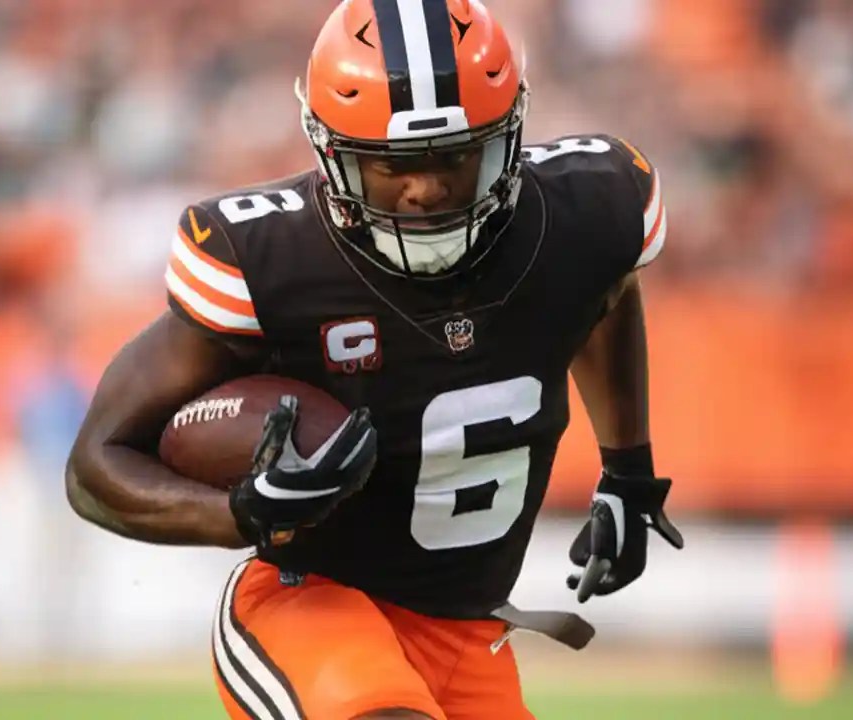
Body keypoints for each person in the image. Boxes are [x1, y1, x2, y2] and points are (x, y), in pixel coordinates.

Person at [67, 1, 684, 718]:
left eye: (453, 158)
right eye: (391, 167)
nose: (424, 190)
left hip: (467, 626)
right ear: (330, 154)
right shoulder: (270, 260)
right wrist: (239, 513)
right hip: (309, 604)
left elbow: (603, 290)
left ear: (509, 138)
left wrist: (628, 469)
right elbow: (96, 464)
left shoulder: (587, 215)